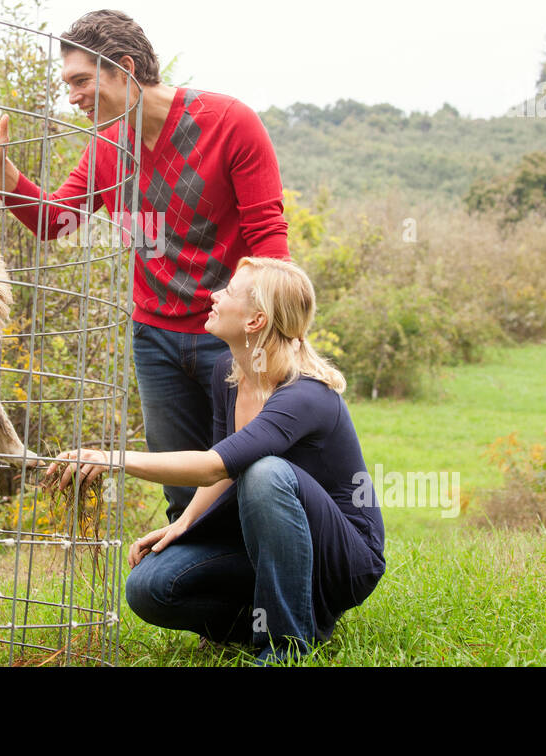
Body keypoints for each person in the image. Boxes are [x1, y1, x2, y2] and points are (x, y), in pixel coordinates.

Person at [0, 10, 289, 524]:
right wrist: (0, 168)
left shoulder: (229, 123)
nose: (72, 96)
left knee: (248, 475)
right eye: (68, 84)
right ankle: (194, 597)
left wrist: (271, 334)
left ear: (123, 70)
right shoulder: (107, 149)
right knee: (180, 492)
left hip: (230, 334)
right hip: (155, 340)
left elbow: (268, 241)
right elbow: (56, 221)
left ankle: (259, 599)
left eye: (81, 80)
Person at [45, 257, 386, 664]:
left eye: (228, 292)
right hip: (264, 542)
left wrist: (111, 458)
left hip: (341, 561)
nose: (214, 295)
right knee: (148, 587)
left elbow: (215, 464)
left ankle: (284, 647)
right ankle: (279, 617)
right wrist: (183, 525)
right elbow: (225, 466)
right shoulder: (229, 371)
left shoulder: (304, 396)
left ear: (255, 320)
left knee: (266, 473)